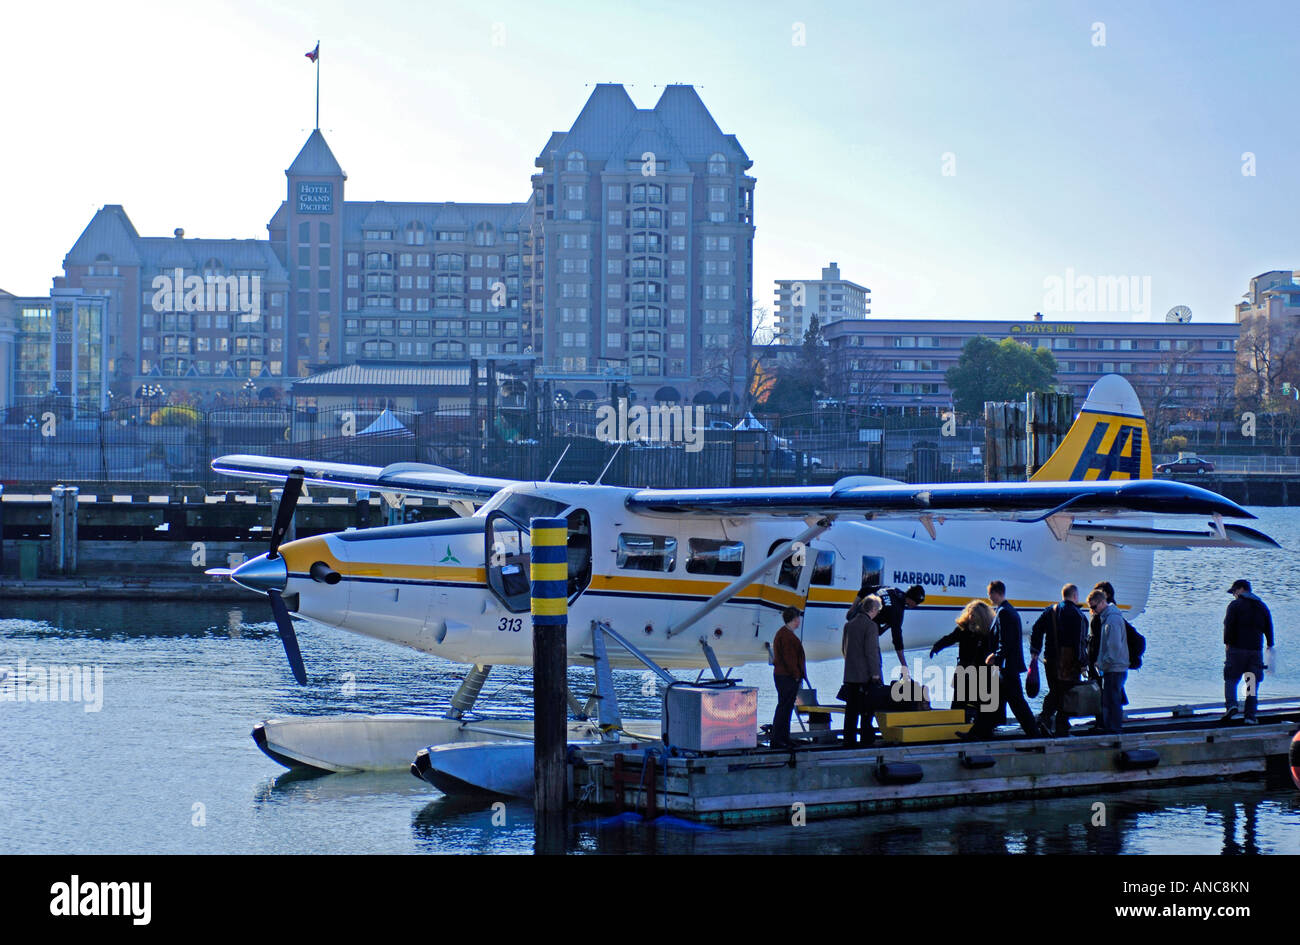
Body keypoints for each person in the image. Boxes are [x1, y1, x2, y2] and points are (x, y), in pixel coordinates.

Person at [967, 581, 1043, 739]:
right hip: (1008, 665)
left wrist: (996, 656)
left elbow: (1006, 640)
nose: (989, 597)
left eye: (990, 594)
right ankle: (978, 733)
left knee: (1017, 703)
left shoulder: (1004, 613)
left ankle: (1034, 735)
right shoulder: (1009, 611)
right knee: (993, 701)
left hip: (1007, 666)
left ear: (997, 593)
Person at [1030, 584, 1090, 736]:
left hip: (1049, 660)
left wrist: (1035, 651)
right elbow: (1079, 643)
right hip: (1069, 663)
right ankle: (1060, 727)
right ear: (1075, 596)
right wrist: (1083, 663)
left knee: (1054, 691)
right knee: (1066, 695)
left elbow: (1036, 629)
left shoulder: (1051, 610)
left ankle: (1045, 720)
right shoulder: (1079, 616)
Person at [929, 599, 995, 720]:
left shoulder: (988, 632)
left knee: (978, 700)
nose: (971, 617)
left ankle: (980, 723)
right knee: (959, 699)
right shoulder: (964, 628)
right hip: (964, 666)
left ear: (981, 616)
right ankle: (956, 720)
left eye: (974, 615)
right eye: (969, 614)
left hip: (981, 668)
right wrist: (937, 646)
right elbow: (951, 638)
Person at [1222, 579, 1275, 724]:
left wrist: (1227, 643)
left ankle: (1231, 705)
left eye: (1234, 591)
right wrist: (1270, 644)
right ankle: (1250, 716)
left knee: (1231, 679)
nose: (1234, 595)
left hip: (1236, 650)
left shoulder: (1235, 605)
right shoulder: (1261, 606)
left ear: (1241, 589)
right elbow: (1268, 626)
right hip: (1255, 651)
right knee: (1251, 682)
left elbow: (1228, 625)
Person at [841, 588, 884, 747]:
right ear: (872, 609)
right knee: (867, 711)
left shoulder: (849, 625)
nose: (878, 613)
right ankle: (866, 740)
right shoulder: (871, 626)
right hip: (864, 676)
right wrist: (875, 674)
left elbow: (844, 649)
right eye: (878, 610)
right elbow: (871, 652)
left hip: (850, 675)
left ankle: (848, 741)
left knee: (850, 711)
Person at [1089, 588, 1129, 734]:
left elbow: (1113, 646)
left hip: (1114, 667)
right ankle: (1112, 728)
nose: (1093, 611)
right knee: (1111, 699)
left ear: (1102, 602)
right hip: (1114, 666)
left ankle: (1113, 730)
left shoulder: (1111, 620)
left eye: (1094, 607)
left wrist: (1102, 664)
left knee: (1112, 701)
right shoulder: (1108, 617)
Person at [770, 606, 806, 749]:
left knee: (785, 707)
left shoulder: (783, 634)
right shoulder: (787, 636)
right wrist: (797, 675)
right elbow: (789, 658)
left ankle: (783, 737)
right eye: (798, 618)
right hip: (787, 677)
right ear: (794, 619)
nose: (799, 621)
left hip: (783, 676)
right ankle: (779, 739)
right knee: (784, 708)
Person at [874, 584, 925, 670]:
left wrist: (852, 611)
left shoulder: (893, 590)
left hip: (854, 622)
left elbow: (866, 589)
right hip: (865, 629)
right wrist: (904, 665)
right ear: (911, 599)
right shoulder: (897, 611)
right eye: (916, 603)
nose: (916, 606)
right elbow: (897, 640)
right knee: (875, 664)